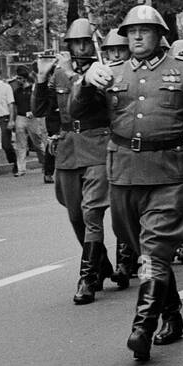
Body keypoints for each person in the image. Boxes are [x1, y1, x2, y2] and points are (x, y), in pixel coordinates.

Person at [73, 3, 183, 362]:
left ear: (159, 35)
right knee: (141, 250)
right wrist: (84, 83)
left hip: (168, 172)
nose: (137, 37)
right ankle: (172, 312)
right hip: (123, 172)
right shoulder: (112, 72)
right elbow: (80, 115)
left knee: (154, 250)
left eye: (145, 32)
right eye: (131, 32)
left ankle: (142, 327)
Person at [33, 19, 125, 305]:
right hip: (68, 151)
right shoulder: (59, 74)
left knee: (91, 213)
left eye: (85, 42)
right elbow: (39, 109)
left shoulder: (103, 72)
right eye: (76, 43)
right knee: (75, 215)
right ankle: (103, 264)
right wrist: (40, 78)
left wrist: (83, 77)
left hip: (97, 146)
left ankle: (87, 278)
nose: (81, 47)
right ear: (69, 46)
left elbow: (99, 101)